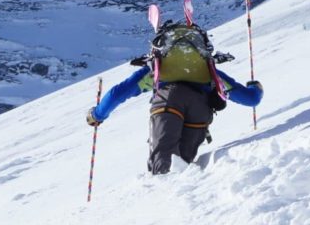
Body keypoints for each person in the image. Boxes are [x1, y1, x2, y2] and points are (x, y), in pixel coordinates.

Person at [86, 23, 263, 174]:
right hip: (200, 110)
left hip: (167, 102)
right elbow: (251, 99)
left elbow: (118, 94)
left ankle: (161, 196)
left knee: (164, 162)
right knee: (183, 164)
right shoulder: (209, 72)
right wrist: (255, 87)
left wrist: (97, 115)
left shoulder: (154, 70)